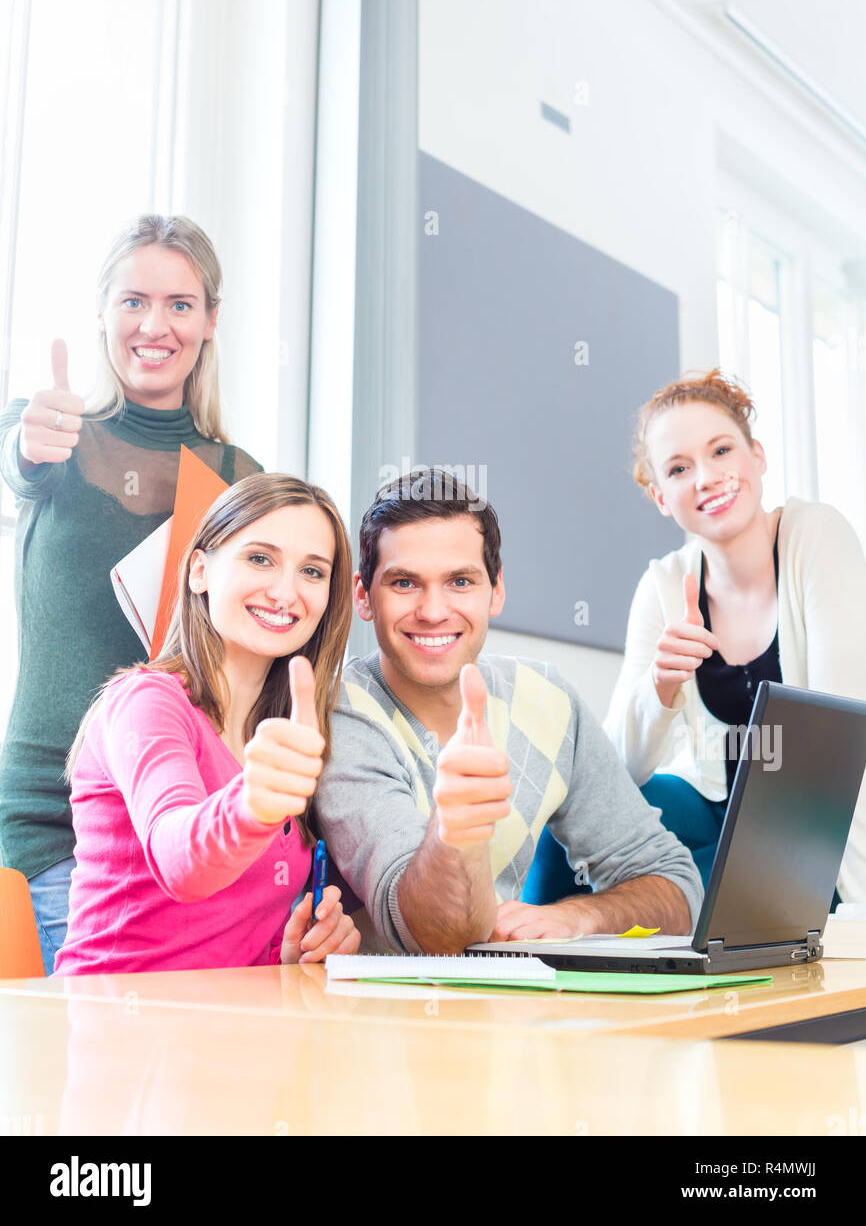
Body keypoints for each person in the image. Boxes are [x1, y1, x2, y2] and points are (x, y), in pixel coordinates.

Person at [0, 215, 263, 973]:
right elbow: (19, 460)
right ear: (103, 313)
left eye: (181, 304)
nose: (156, 325)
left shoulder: (240, 477)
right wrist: (26, 444)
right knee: (99, 1057)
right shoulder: (53, 431)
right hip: (58, 823)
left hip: (187, 819)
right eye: (133, 301)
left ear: (211, 320)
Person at [311, 469, 702, 955]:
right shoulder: (341, 716)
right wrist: (455, 830)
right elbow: (432, 938)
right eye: (405, 582)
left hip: (505, 1011)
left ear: (496, 591)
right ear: (363, 596)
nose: (434, 611)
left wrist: (577, 915)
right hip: (379, 1017)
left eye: (459, 581)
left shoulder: (547, 699)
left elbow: (678, 886)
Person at [55, 472, 359, 975]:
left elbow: (223, 932)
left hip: (226, 1030)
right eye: (260, 558)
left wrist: (290, 950)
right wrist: (252, 803)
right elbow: (182, 865)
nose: (285, 592)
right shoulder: (145, 702)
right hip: (117, 1030)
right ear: (200, 570)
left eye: (312, 571)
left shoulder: (288, 727)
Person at [593, 368, 866, 896]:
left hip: (811, 830)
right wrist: (660, 685)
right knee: (584, 821)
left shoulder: (817, 536)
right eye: (678, 468)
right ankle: (520, 955)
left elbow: (843, 738)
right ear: (661, 497)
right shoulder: (663, 586)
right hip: (714, 818)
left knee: (685, 898)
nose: (706, 478)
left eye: (721, 451)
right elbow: (619, 769)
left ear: (757, 455)